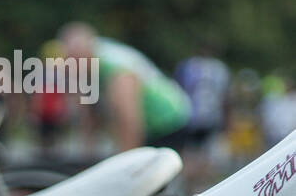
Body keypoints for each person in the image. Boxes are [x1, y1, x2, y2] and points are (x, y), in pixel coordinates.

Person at [58, 22, 191, 152]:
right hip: (154, 120)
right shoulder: (90, 63)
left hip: (167, 120)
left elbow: (129, 119)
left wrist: (127, 159)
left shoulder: (114, 67)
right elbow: (88, 114)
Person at [175, 45, 231, 185]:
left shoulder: (187, 66)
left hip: (190, 118)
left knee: (190, 156)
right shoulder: (220, 69)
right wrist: (227, 121)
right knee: (207, 157)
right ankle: (204, 187)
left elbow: (177, 91)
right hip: (212, 118)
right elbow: (226, 98)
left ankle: (191, 187)